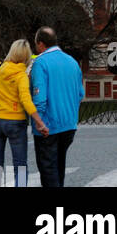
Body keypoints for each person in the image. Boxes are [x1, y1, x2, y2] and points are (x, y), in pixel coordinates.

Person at [0, 39, 48, 188]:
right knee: (20, 165)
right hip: (16, 123)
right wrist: (40, 123)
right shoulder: (21, 76)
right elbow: (26, 101)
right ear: (26, 56)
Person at [29, 27, 84, 189]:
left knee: (47, 169)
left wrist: (39, 123)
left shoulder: (40, 62)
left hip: (48, 126)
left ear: (40, 44)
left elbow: (39, 99)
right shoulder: (72, 62)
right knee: (59, 165)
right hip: (69, 125)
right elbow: (80, 94)